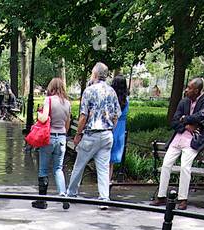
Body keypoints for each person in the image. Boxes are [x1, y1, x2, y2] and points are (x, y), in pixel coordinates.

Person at [63, 62, 121, 207]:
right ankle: (104, 198)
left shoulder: (89, 91)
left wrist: (78, 134)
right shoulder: (111, 91)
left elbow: (83, 116)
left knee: (79, 164)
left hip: (91, 134)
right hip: (107, 135)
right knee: (103, 168)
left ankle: (71, 193)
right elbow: (116, 116)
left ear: (95, 74)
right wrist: (110, 129)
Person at [153, 77, 204, 210]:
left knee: (185, 167)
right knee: (166, 165)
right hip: (178, 138)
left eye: (189, 88)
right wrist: (186, 126)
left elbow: (201, 116)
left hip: (193, 140)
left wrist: (184, 118)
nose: (186, 90)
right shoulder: (183, 101)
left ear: (196, 90)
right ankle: (161, 196)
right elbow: (173, 121)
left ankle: (182, 199)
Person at [32, 77, 70, 209]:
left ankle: (42, 201)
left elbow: (43, 118)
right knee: (58, 168)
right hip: (62, 139)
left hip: (48, 138)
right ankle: (63, 194)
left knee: (43, 169)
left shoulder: (49, 100)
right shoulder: (67, 103)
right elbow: (67, 123)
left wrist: (38, 114)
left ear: (51, 87)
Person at [110, 74, 130, 167]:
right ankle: (108, 180)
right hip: (121, 129)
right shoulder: (126, 100)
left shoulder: (111, 99)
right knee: (111, 162)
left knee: (104, 159)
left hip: (111, 127)